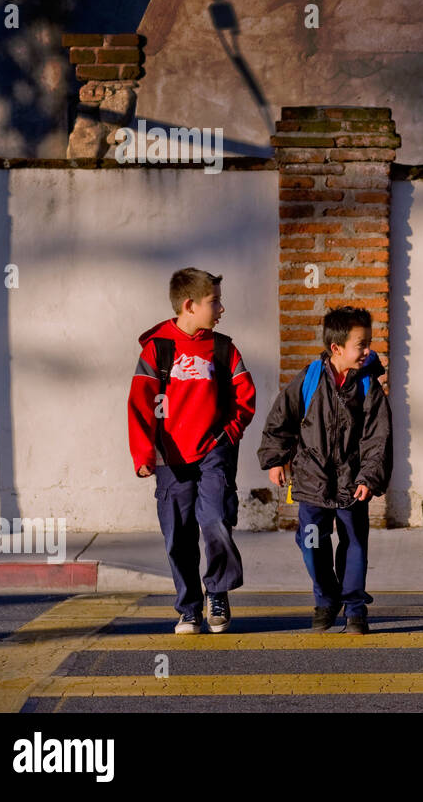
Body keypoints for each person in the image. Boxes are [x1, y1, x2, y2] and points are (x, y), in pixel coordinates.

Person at [128, 267, 257, 634]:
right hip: (171, 458)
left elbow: (244, 396)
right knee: (178, 535)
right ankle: (188, 608)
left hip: (215, 451)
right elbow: (140, 404)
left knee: (215, 518)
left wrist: (230, 433)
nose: (221, 308)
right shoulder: (157, 350)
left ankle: (217, 591)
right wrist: (143, 456)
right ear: (189, 305)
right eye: (214, 301)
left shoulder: (223, 348)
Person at [257, 306, 393, 635]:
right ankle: (326, 598)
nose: (368, 351)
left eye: (368, 343)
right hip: (311, 482)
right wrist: (276, 458)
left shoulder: (368, 387)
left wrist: (368, 477)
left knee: (354, 545)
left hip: (352, 484)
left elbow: (378, 437)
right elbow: (281, 420)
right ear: (337, 348)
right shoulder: (310, 378)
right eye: (361, 344)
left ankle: (355, 609)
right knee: (312, 543)